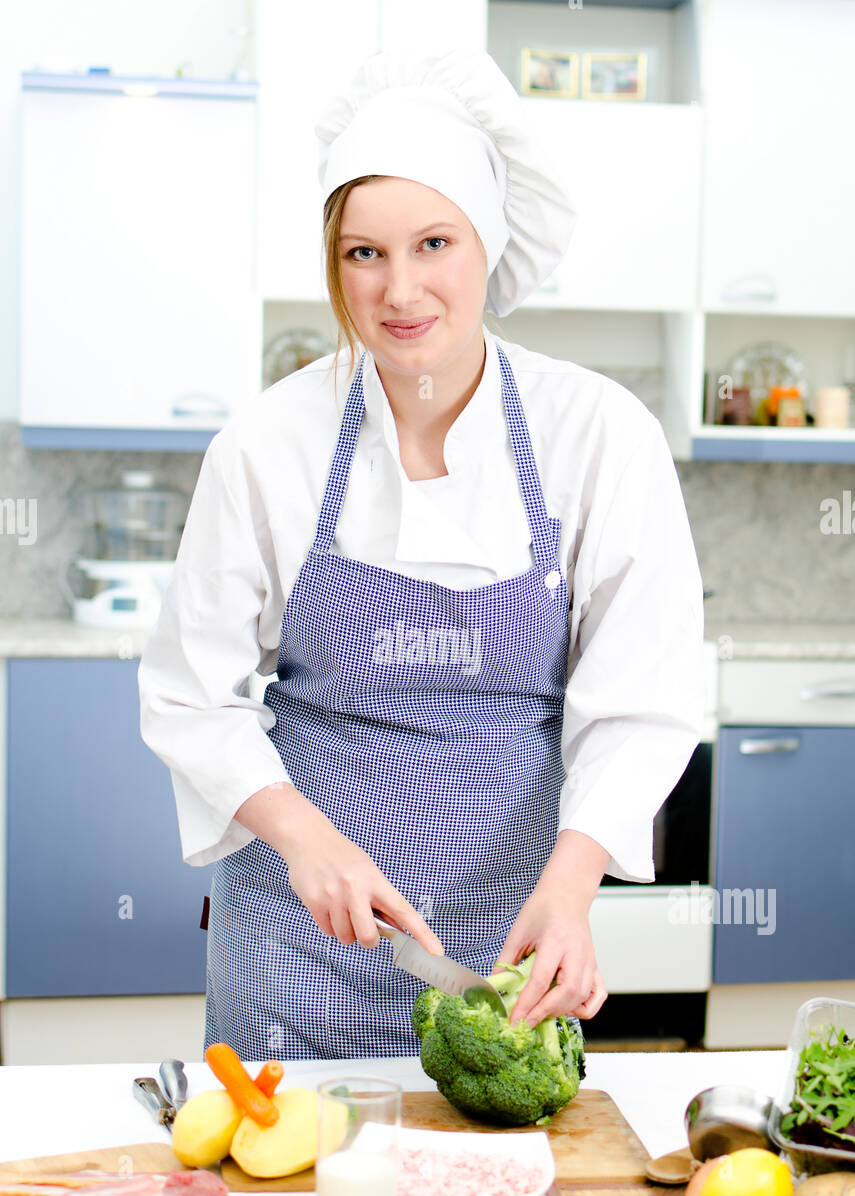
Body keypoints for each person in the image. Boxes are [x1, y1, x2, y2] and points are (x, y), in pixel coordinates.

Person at [138, 48, 705, 1062]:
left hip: (506, 952)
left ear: (487, 242)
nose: (399, 291)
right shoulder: (269, 445)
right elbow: (189, 694)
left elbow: (643, 697)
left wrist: (573, 888)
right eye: (363, 253)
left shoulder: (599, 436)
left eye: (433, 242)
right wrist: (307, 842)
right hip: (295, 939)